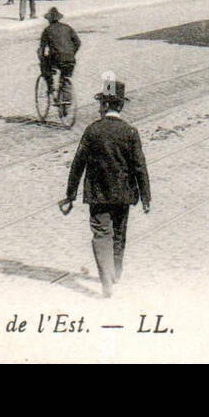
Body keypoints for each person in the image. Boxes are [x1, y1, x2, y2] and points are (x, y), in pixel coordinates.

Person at [60, 78, 150, 297]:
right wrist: (146, 197)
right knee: (119, 233)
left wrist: (70, 195)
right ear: (120, 106)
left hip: (98, 195)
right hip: (124, 195)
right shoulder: (130, 132)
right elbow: (140, 166)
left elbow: (77, 164)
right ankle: (116, 272)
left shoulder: (92, 131)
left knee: (101, 234)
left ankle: (106, 279)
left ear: (104, 106)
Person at [39, 7, 81, 101]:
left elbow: (41, 49)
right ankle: (66, 101)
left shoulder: (47, 30)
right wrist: (72, 53)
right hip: (70, 59)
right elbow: (78, 42)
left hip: (56, 59)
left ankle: (50, 86)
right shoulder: (67, 27)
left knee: (45, 64)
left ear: (49, 19)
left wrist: (42, 59)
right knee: (66, 76)